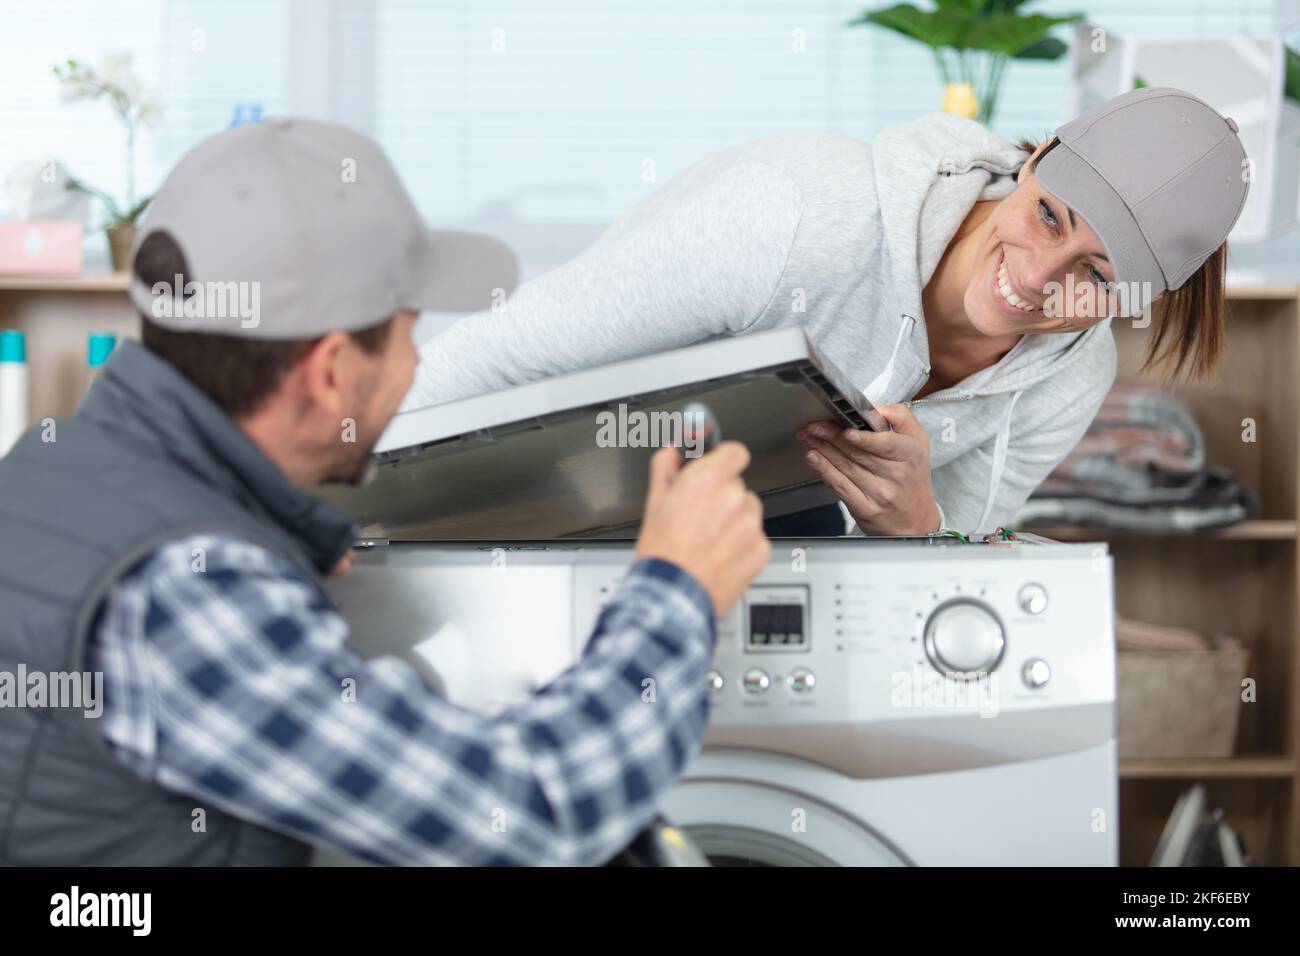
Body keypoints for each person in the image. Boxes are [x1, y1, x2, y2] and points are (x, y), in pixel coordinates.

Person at [0, 119, 770, 866]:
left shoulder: (52, 468)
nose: (414, 366)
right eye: (408, 335)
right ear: (332, 370)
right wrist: (676, 587)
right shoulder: (184, 587)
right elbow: (535, 816)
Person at [404, 87, 1249, 535]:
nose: (1034, 279)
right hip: (530, 490)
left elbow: (952, 566)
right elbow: (507, 353)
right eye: (1048, 217)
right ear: (1038, 159)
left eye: (1094, 278)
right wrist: (319, 501)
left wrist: (916, 525)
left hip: (745, 548)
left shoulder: (1072, 373)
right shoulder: (793, 217)